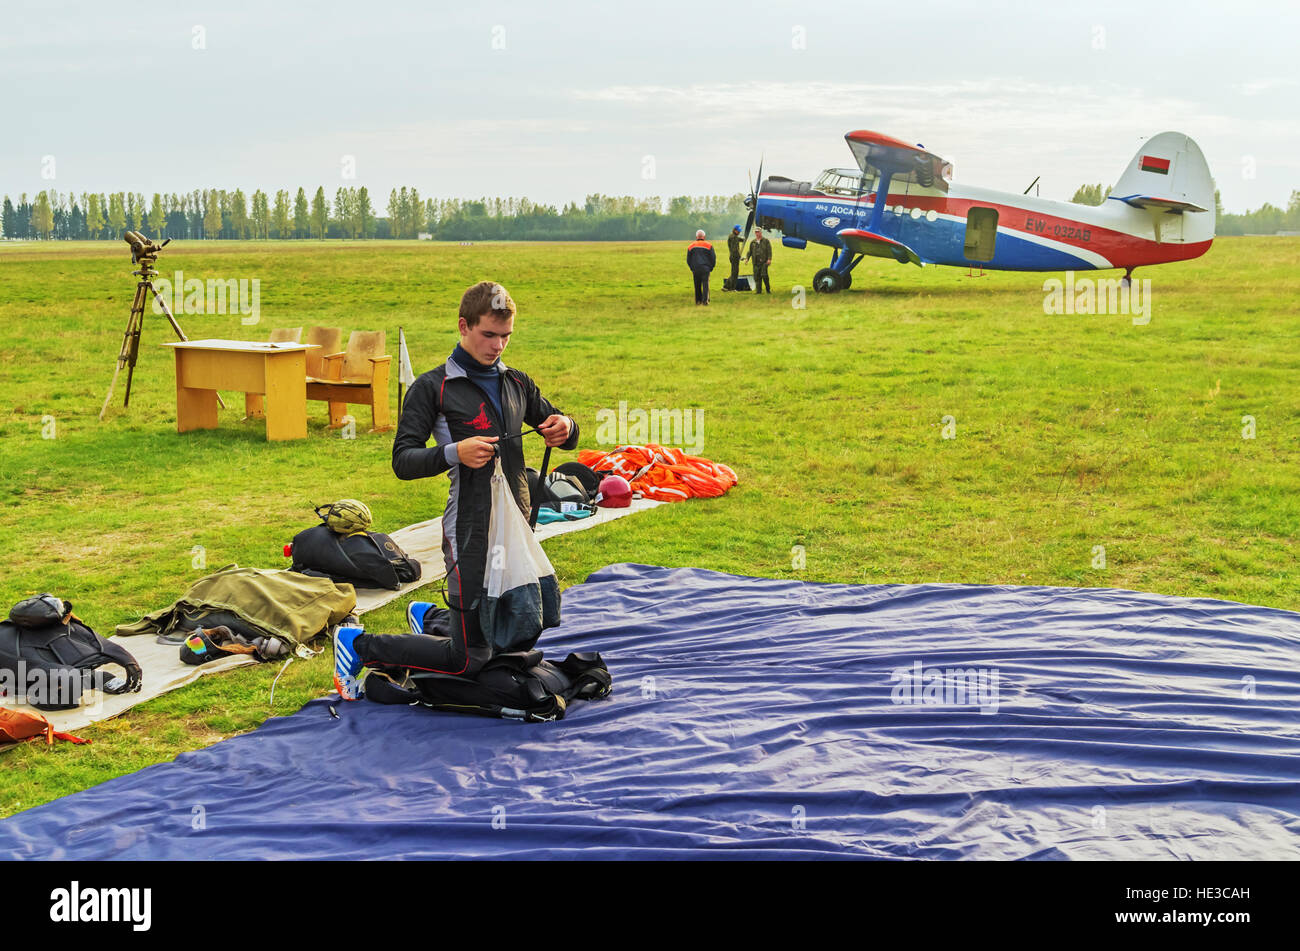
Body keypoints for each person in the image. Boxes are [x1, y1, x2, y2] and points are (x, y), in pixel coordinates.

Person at [333, 281, 579, 700]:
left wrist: (567, 427)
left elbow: (561, 430)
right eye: (488, 334)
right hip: (467, 529)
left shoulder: (517, 383)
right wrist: (453, 452)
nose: (498, 345)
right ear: (463, 327)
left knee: (510, 633)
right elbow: (403, 460)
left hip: (517, 525)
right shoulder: (433, 388)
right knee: (470, 660)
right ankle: (359, 646)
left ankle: (430, 618)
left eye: (506, 336)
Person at [686, 229, 716, 305]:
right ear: (704, 237)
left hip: (695, 268)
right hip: (705, 268)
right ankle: (705, 301)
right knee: (705, 284)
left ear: (696, 237)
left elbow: (688, 259)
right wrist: (711, 268)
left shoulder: (691, 246)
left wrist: (692, 268)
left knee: (697, 285)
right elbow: (713, 258)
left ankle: (698, 301)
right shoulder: (709, 245)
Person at [746, 228, 773, 294]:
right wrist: (747, 258)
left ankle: (768, 289)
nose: (757, 233)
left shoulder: (766, 241)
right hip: (756, 262)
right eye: (756, 232)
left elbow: (769, 250)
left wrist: (769, 259)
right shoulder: (753, 242)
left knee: (764, 275)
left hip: (764, 262)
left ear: (761, 232)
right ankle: (758, 291)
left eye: (758, 232)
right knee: (757, 277)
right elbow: (750, 251)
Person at [726, 224, 743, 290]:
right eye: (738, 231)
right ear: (735, 230)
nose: (739, 232)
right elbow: (735, 249)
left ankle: (727, 286)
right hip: (735, 256)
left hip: (732, 256)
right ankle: (730, 287)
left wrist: (743, 239)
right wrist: (739, 257)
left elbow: (739, 239)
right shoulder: (734, 237)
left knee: (734, 272)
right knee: (735, 273)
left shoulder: (732, 236)